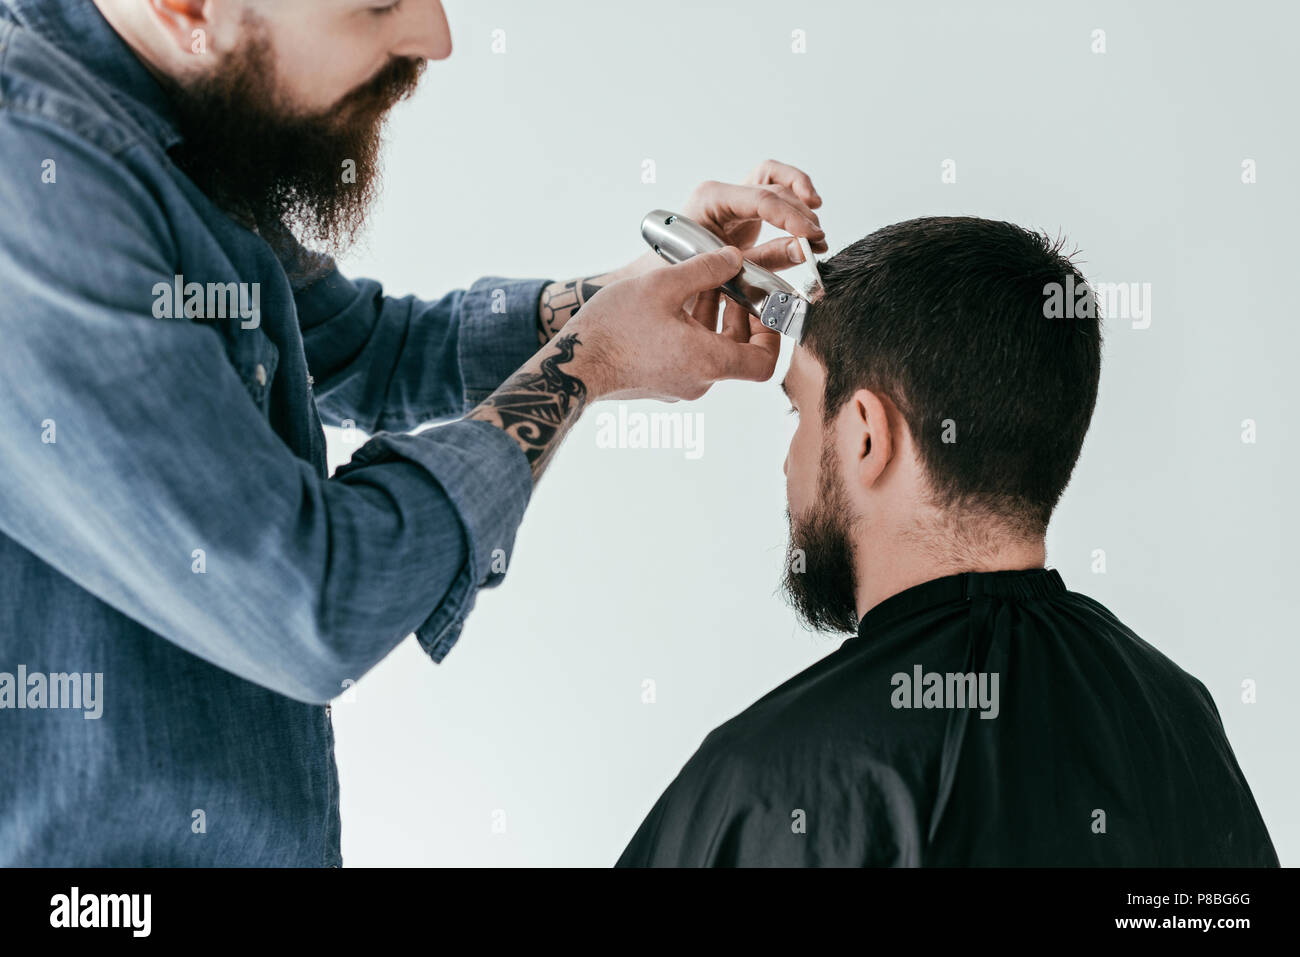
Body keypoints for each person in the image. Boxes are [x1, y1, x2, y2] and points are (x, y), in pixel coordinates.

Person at [0, 0, 826, 865]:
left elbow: (365, 348)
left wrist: (623, 295)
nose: (437, 36)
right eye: (380, 4)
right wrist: (589, 361)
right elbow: (311, 601)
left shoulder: (170, 101)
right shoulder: (38, 179)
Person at [616, 216, 1279, 867]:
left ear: (867, 436)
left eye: (800, 412)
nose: (788, 462)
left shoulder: (762, 783)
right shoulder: (1179, 719)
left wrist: (594, 341)